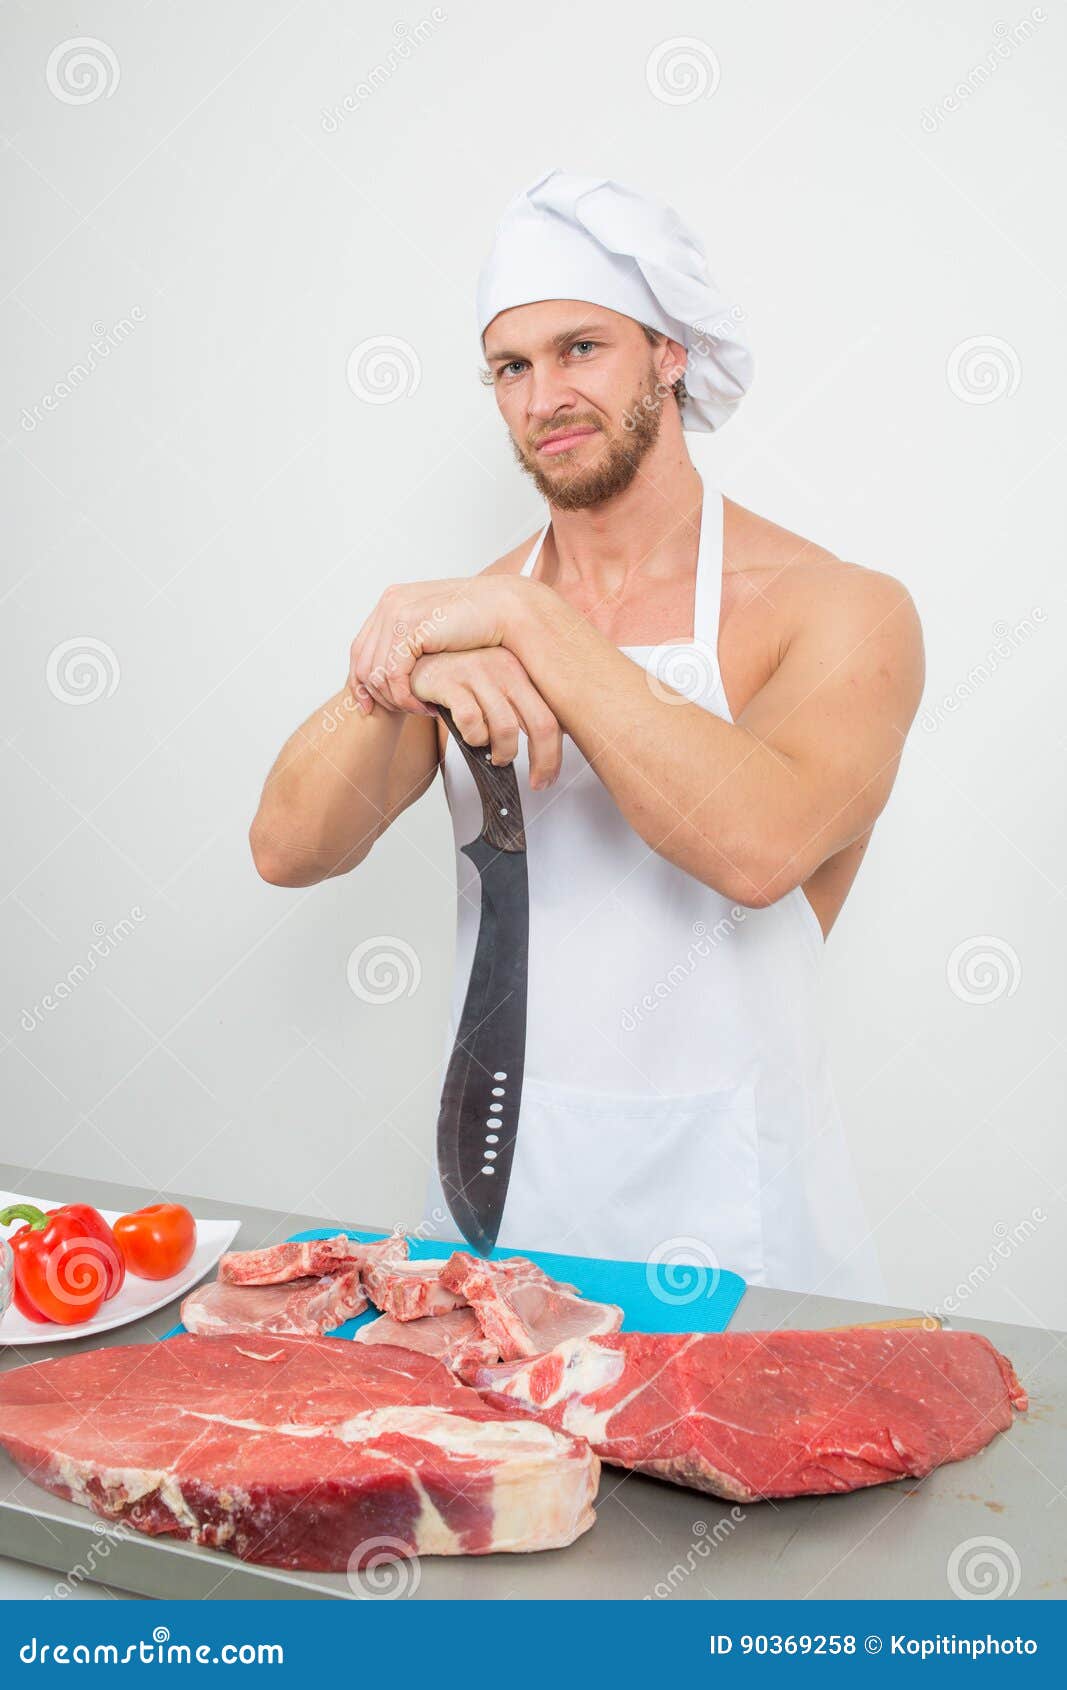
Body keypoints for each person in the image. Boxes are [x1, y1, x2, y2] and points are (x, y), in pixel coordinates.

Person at [250, 169, 924, 1299]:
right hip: (498, 1190)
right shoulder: (462, 617)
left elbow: (756, 849)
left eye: (581, 349)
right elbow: (289, 846)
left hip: (737, 1212)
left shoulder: (835, 606)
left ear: (669, 354)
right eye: (510, 366)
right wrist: (399, 671)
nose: (542, 394)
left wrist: (526, 619)